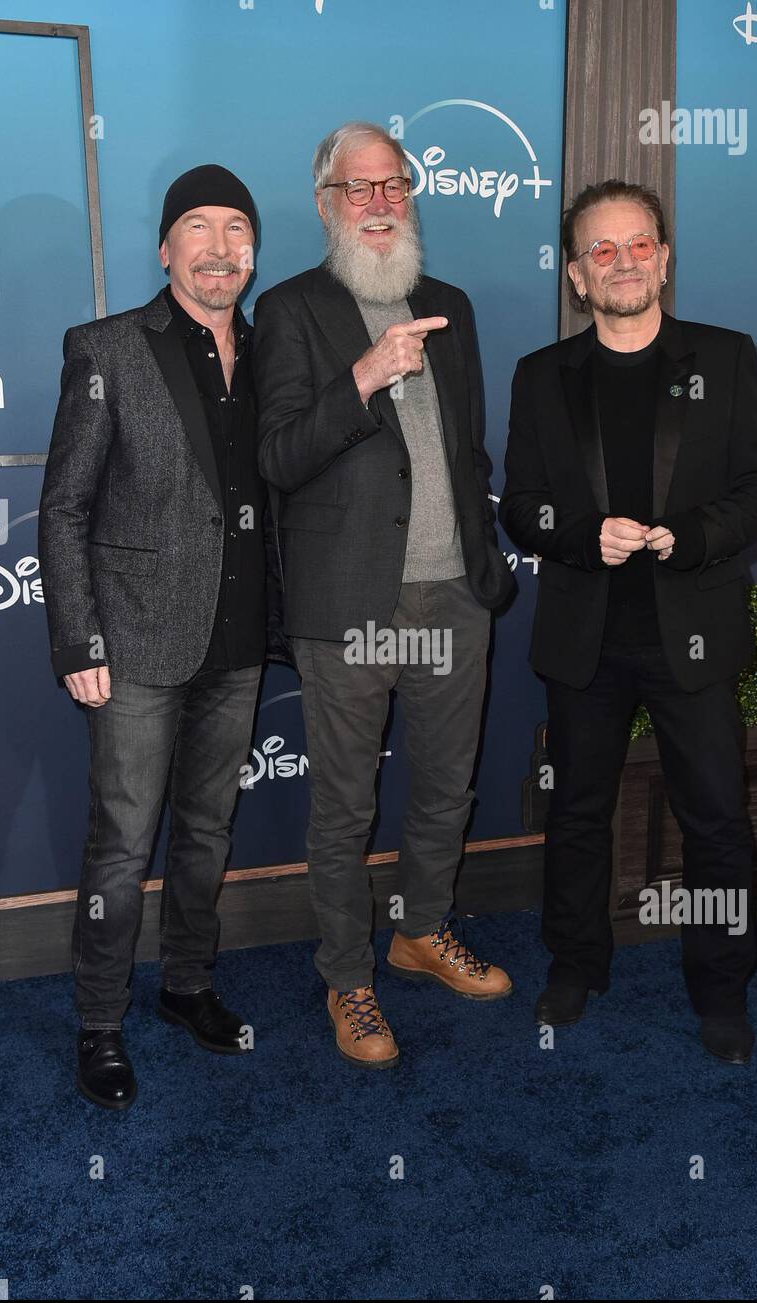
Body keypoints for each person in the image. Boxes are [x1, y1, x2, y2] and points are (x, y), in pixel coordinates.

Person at [499, 179, 757, 1065]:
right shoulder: (542, 376)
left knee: (715, 820)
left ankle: (720, 987)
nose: (622, 262)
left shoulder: (727, 356)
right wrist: (584, 535)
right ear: (577, 277)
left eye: (638, 245)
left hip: (692, 633)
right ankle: (577, 964)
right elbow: (521, 509)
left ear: (662, 258)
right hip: (584, 636)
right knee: (577, 814)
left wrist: (693, 535)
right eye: (601, 250)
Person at [253, 122, 516, 1069]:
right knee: (344, 807)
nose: (378, 203)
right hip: (349, 603)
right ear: (326, 203)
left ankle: (419, 932)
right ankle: (347, 978)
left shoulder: (450, 305)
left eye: (394, 186)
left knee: (446, 784)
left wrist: (485, 567)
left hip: (453, 594)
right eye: (357, 188)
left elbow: (470, 447)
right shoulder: (288, 311)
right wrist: (365, 376)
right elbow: (277, 456)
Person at [39, 165, 280, 1109]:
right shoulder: (107, 348)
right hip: (135, 641)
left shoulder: (271, 356)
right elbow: (63, 509)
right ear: (165, 248)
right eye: (199, 228)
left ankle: (187, 985)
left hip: (238, 635)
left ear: (252, 251)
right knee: (121, 841)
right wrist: (77, 642)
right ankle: (100, 1021)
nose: (220, 247)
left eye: (236, 230)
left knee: (208, 828)